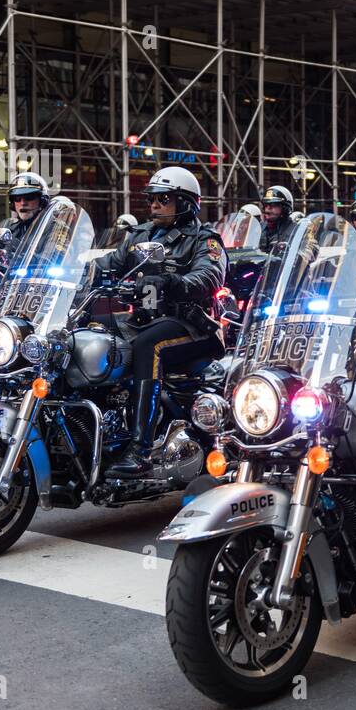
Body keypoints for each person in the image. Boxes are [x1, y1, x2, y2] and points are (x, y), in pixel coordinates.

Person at [103, 167, 226, 478]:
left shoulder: (204, 240)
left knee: (149, 345)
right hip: (143, 319)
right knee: (90, 335)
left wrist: (172, 281)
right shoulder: (140, 235)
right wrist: (80, 272)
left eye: (164, 199)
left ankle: (140, 448)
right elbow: (110, 264)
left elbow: (209, 276)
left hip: (192, 325)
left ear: (185, 203)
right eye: (153, 199)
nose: (154, 205)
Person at [257, 185, 295, 252]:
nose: (268, 208)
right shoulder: (259, 228)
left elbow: (306, 255)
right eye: (266, 204)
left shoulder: (296, 230)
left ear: (285, 208)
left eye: (273, 204)